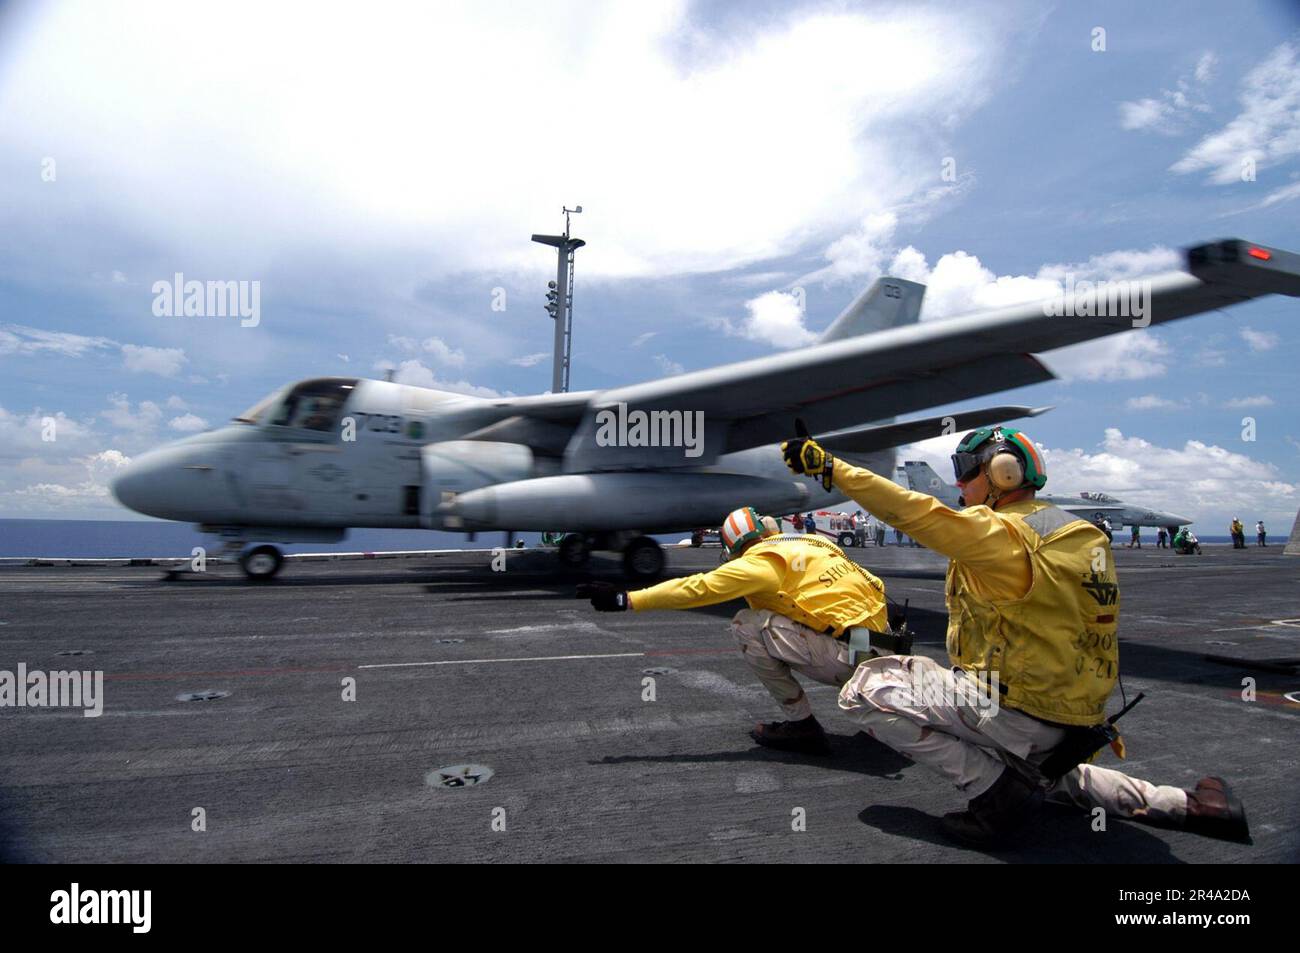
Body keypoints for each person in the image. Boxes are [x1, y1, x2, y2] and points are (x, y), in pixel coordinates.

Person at [781, 423, 1248, 846]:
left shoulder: (1005, 533)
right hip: (1075, 717)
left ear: (1001, 474)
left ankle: (991, 793)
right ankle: (1189, 806)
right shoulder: (1080, 533)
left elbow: (916, 514)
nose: (960, 484)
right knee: (1047, 776)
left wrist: (833, 468)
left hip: (1017, 708)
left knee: (865, 688)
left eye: (965, 471)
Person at [577, 508, 897, 755]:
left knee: (746, 624)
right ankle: (885, 704)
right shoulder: (816, 543)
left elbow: (695, 588)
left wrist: (627, 598)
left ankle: (802, 726)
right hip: (887, 652)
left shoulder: (757, 563)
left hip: (850, 663)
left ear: (738, 544)